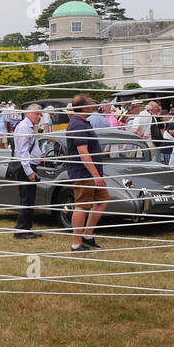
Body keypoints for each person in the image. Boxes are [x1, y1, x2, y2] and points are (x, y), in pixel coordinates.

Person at [64, 95, 108, 251]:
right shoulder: (77, 125)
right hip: (83, 173)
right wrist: (96, 175)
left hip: (91, 173)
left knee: (102, 200)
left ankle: (87, 236)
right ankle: (76, 244)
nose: (93, 105)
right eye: (90, 103)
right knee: (82, 206)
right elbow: (83, 152)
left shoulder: (84, 122)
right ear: (83, 107)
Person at [10, 104, 44, 238]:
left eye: (40, 114)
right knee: (27, 199)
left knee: (29, 199)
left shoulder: (29, 127)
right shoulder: (24, 127)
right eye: (38, 114)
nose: (40, 117)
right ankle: (21, 230)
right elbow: (23, 152)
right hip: (26, 168)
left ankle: (26, 229)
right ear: (29, 113)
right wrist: (29, 172)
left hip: (29, 166)